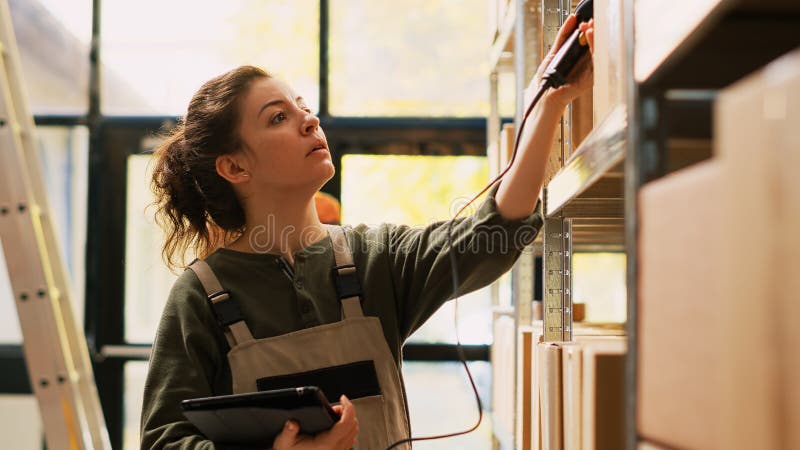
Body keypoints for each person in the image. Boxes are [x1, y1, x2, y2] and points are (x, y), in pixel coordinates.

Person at [140, 15, 594, 450]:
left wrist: (549, 103)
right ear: (235, 167)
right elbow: (163, 441)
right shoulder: (200, 297)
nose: (310, 121)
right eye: (278, 117)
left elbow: (492, 234)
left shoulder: (375, 257)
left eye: (304, 108)